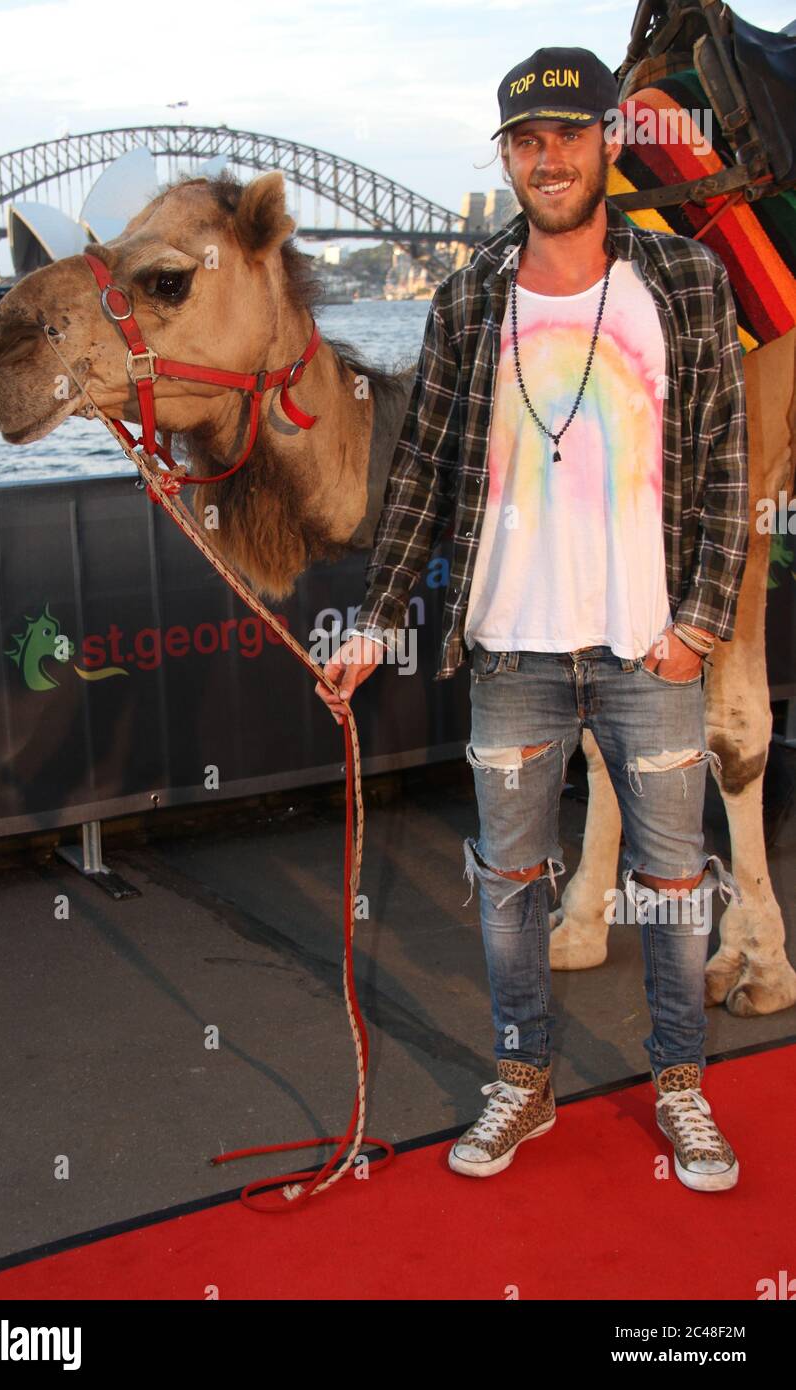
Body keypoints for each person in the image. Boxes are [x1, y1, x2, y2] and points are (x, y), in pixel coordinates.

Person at [314, 46, 749, 1192]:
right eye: (523, 140)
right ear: (503, 155)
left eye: (566, 133)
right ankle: (522, 1079)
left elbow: (719, 469)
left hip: (647, 645)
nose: (545, 157)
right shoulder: (467, 300)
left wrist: (698, 623)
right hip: (508, 646)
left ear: (609, 140)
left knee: (665, 882)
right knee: (511, 888)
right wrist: (373, 621)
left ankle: (679, 1087)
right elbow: (418, 478)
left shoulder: (683, 286)